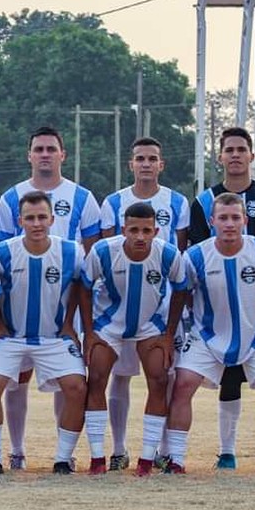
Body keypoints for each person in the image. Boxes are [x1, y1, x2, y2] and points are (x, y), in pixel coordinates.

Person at [166, 192, 255, 475]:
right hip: (206, 335)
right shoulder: (195, 255)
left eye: (235, 218)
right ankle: (175, 459)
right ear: (212, 221)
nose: (229, 224)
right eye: (223, 218)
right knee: (183, 385)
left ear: (245, 220)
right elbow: (181, 291)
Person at [0, 126, 101, 470]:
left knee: (64, 380)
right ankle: (17, 450)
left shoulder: (82, 197)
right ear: (29, 155)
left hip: (62, 306)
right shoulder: (11, 197)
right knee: (17, 380)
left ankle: (63, 452)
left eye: (50, 149)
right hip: (19, 305)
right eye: (38, 149)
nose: (44, 154)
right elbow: (0, 254)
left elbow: (90, 254)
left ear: (62, 155)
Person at [188, 127, 255, 469]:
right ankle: (227, 450)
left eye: (241, 149)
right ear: (220, 157)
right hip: (219, 310)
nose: (235, 155)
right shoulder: (204, 201)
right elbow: (197, 257)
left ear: (251, 155)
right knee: (230, 379)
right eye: (229, 150)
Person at [0, 191, 88, 474]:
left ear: (52, 219)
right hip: (12, 337)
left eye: (41, 217)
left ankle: (63, 459)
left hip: (54, 338)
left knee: (76, 387)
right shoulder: (1, 252)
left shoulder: (72, 251)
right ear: (19, 221)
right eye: (30, 218)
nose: (36, 223)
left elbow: (79, 288)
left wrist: (69, 324)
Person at [97, 137, 189, 469]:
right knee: (119, 376)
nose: (146, 163)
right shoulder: (113, 202)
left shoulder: (177, 202)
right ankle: (119, 449)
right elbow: (108, 252)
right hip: (119, 308)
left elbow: (178, 253)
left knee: (164, 376)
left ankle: (162, 449)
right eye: (140, 158)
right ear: (131, 164)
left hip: (159, 307)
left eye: (152, 158)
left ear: (161, 164)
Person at [79, 202, 187, 476]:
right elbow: (83, 287)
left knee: (159, 380)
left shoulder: (168, 254)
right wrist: (89, 332)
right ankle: (97, 459)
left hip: (150, 325)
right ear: (123, 229)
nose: (140, 236)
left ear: (156, 231)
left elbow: (181, 289)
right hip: (109, 325)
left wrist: (169, 334)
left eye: (146, 231)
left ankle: (147, 460)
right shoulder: (103, 251)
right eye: (134, 230)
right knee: (96, 379)